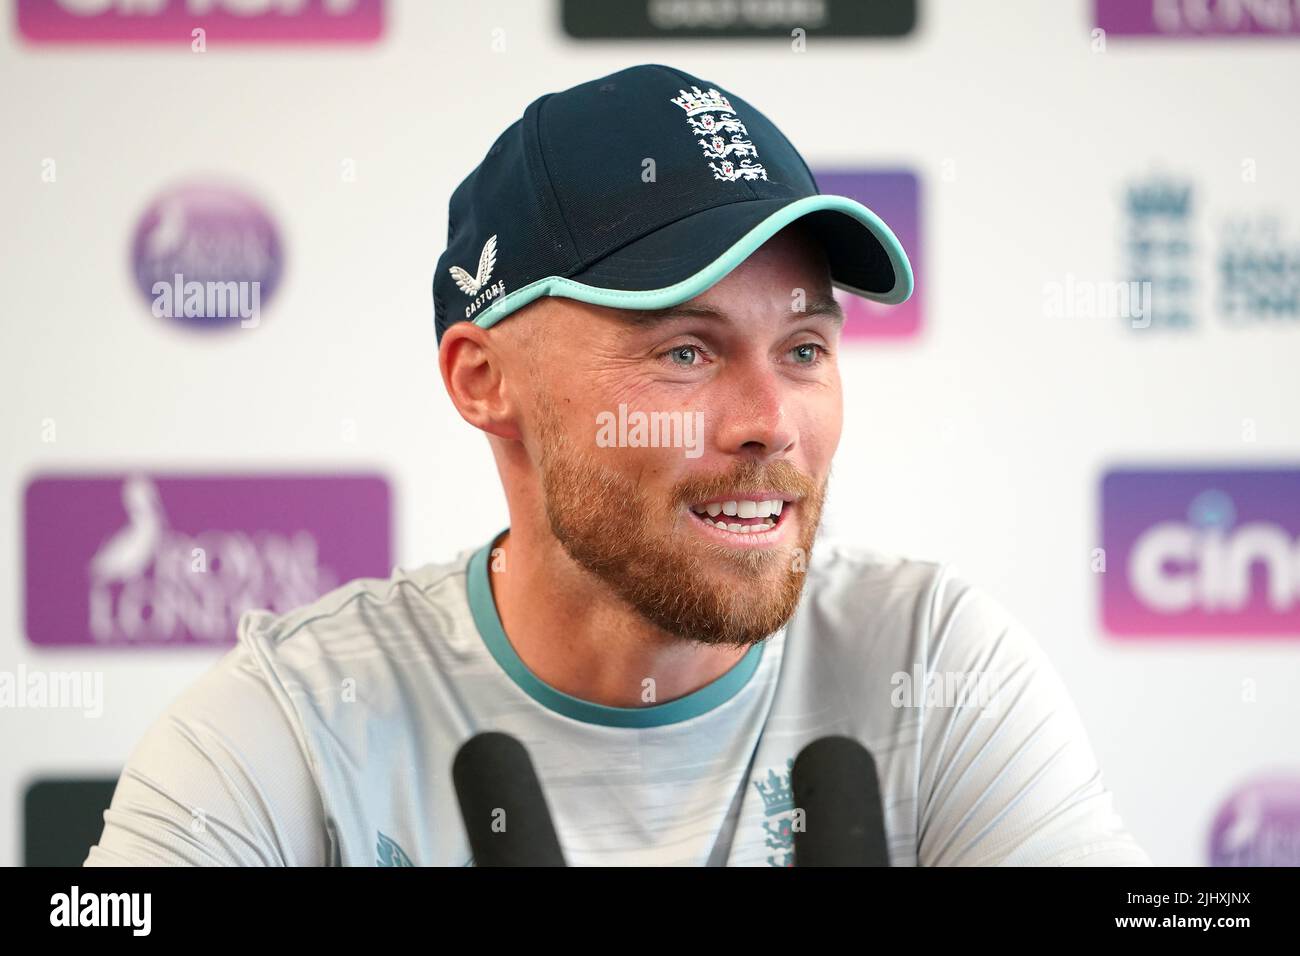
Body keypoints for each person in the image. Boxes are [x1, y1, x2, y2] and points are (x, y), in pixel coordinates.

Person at [85, 63, 1149, 866]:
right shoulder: (296, 725)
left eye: (804, 349)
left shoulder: (932, 664)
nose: (770, 423)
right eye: (685, 350)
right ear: (481, 378)